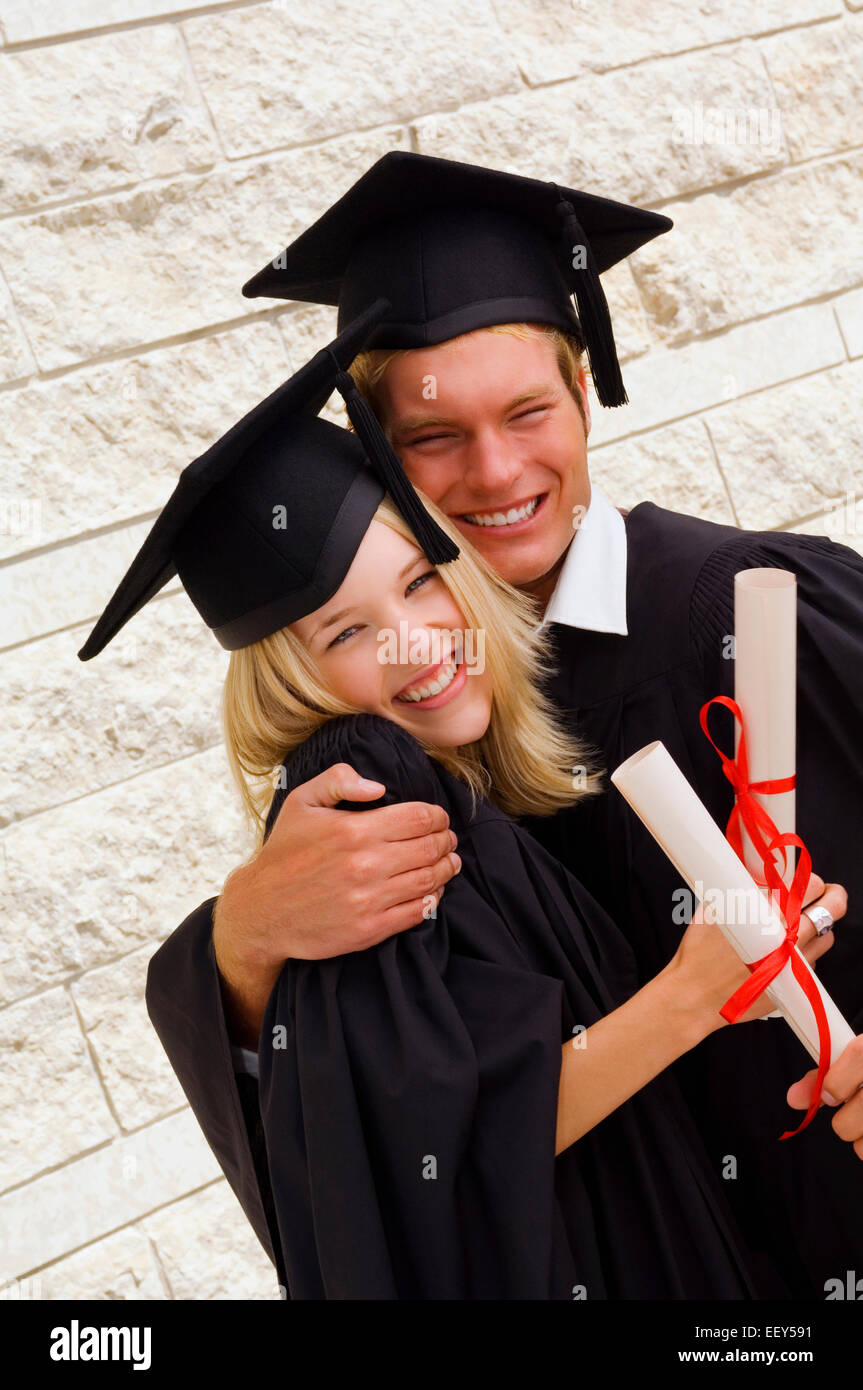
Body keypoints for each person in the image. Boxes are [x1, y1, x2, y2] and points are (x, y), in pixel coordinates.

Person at [77, 306, 851, 1299]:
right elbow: (427, 1139)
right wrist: (696, 991)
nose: (411, 640)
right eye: (345, 631)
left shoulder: (738, 606)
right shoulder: (370, 781)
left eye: (416, 583)